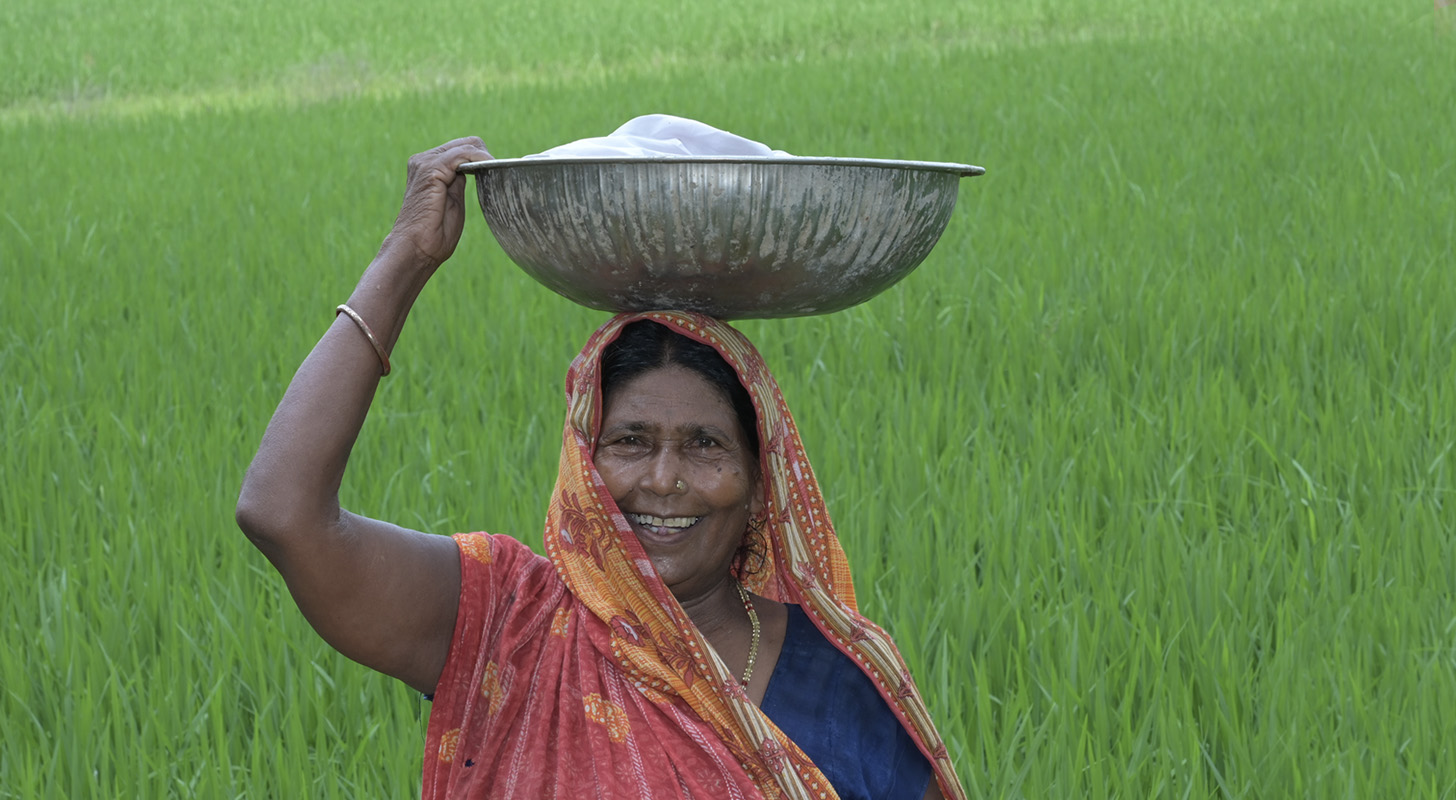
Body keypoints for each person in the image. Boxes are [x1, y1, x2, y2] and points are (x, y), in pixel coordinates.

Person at [236, 137, 964, 799]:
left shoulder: (845, 683)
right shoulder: (506, 624)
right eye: (631, 441)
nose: (664, 479)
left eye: (706, 445)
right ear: (584, 464)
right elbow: (284, 513)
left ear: (759, 479)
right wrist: (405, 258)